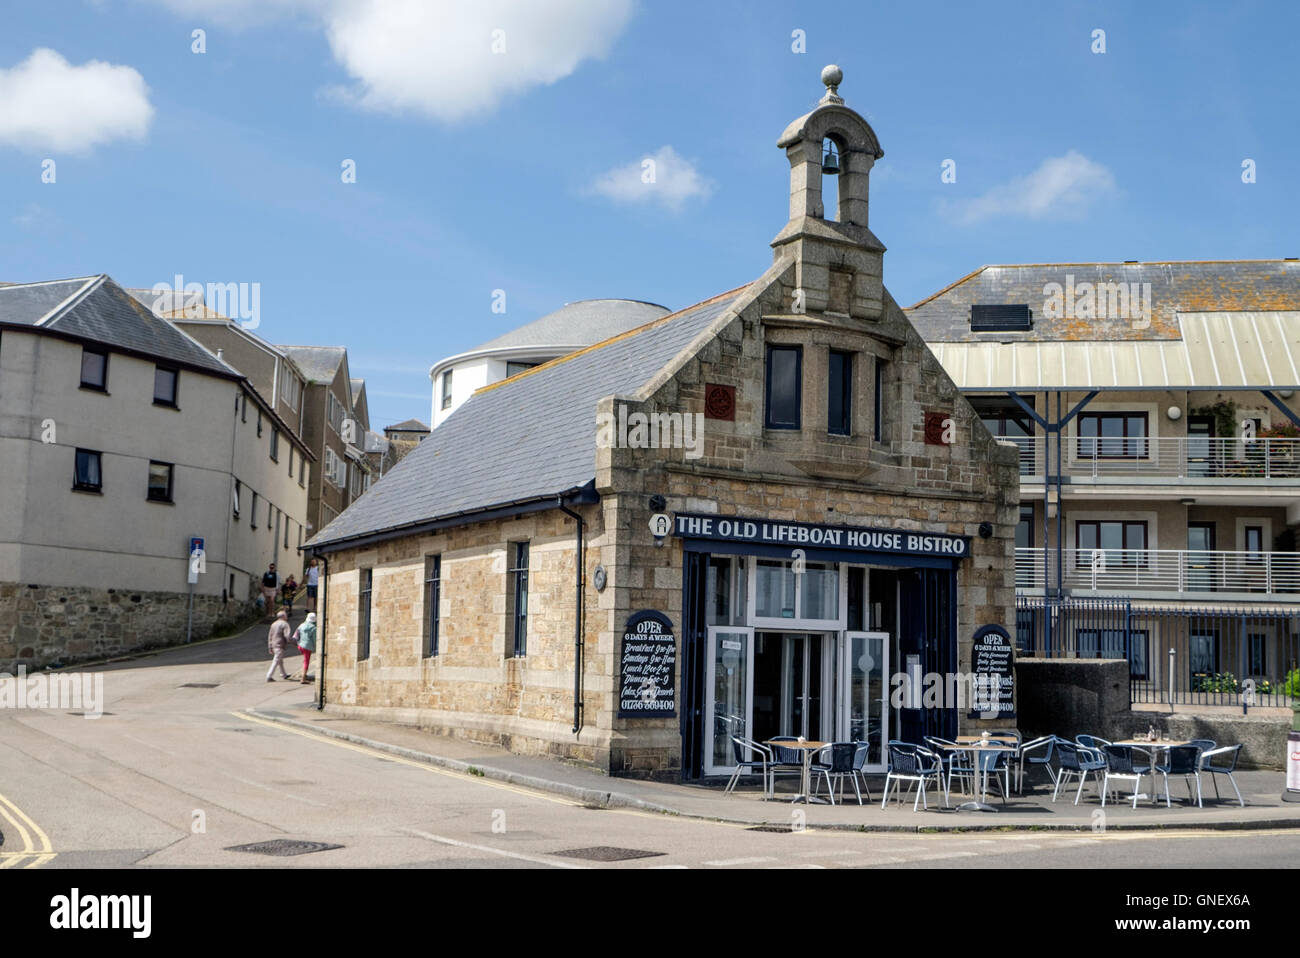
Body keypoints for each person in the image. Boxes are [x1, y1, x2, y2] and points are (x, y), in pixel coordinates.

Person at [266, 610, 292, 682]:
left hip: (274, 645)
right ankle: (269, 676)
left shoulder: (273, 624)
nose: (286, 616)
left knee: (280, 661)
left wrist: (270, 646)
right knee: (276, 660)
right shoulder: (285, 624)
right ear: (283, 616)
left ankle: (283, 674)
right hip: (280, 644)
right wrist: (292, 642)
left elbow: (270, 636)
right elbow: (287, 635)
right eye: (286, 615)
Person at [293, 612, 317, 684]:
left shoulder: (302, 625)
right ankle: (303, 678)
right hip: (307, 647)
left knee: (305, 660)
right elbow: (315, 639)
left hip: (300, 645)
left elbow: (296, 634)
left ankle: (304, 674)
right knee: (306, 661)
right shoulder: (314, 628)